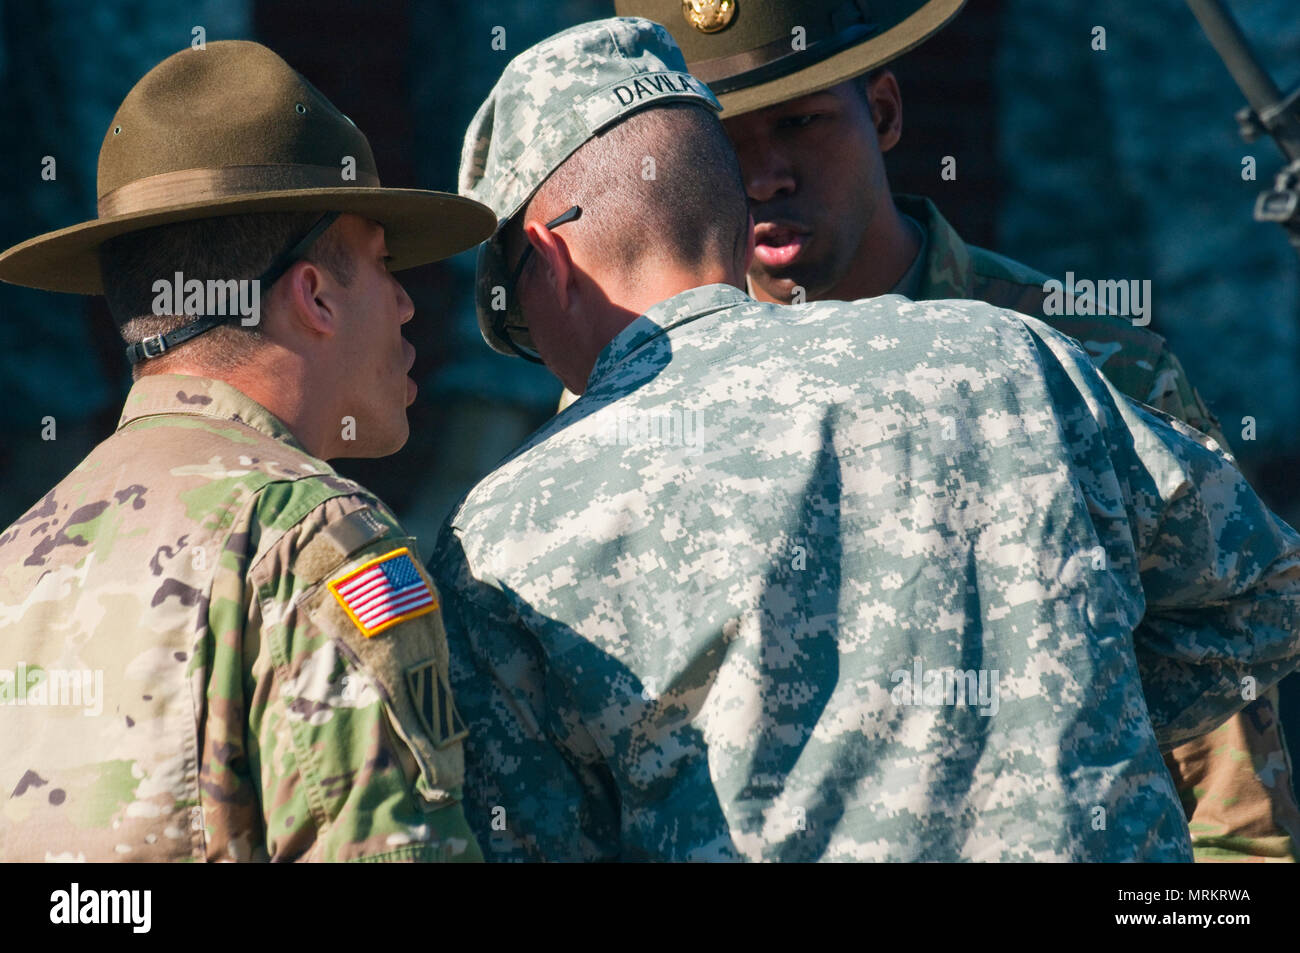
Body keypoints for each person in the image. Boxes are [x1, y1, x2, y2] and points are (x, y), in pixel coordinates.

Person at [437, 16, 1300, 862]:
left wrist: (1047, 695)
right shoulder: (602, 430)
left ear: (883, 112)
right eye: (724, 145)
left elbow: (1238, 801)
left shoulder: (1069, 356)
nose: (766, 176)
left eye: (800, 123)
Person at [0, 41, 496, 862]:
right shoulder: (317, 541)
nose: (408, 301)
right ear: (314, 295)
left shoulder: (15, 559)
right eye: (383, 263)